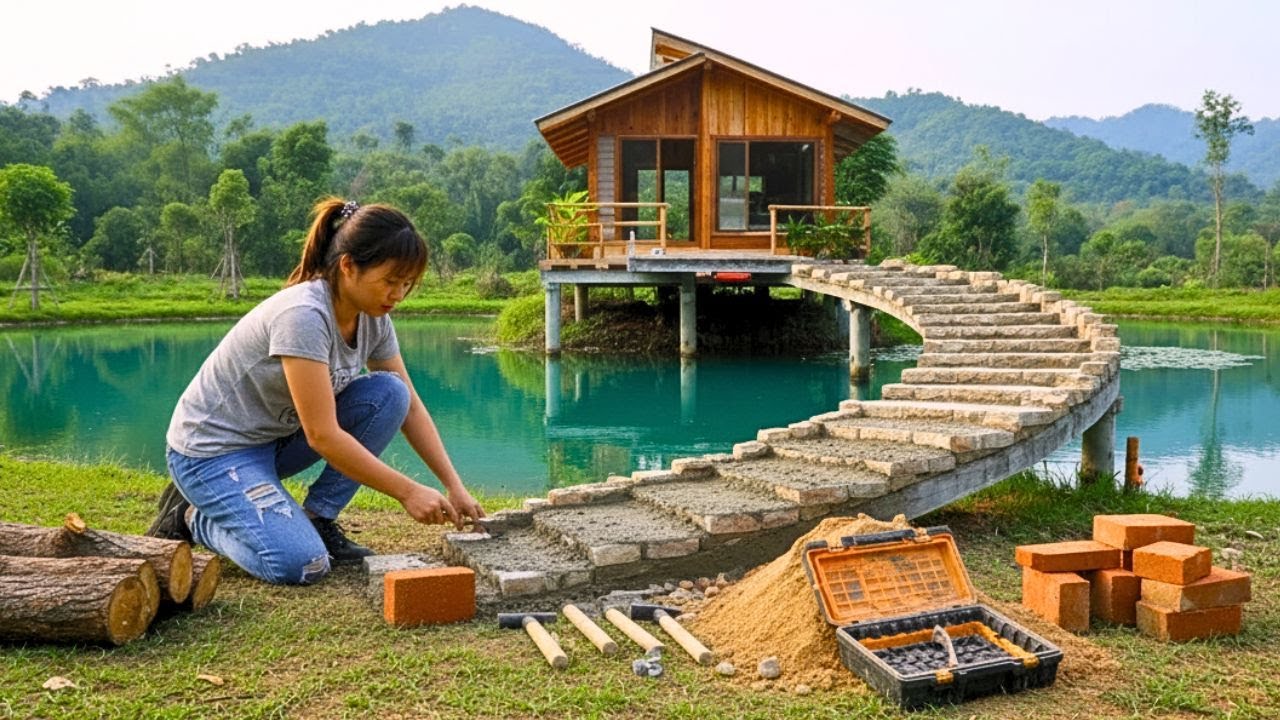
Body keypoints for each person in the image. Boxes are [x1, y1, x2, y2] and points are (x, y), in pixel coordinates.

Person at [148, 198, 485, 585]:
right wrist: (407, 492)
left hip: (272, 442)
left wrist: (454, 486)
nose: (398, 294)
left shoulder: (373, 318)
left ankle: (318, 518)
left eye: (407, 284)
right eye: (390, 281)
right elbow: (322, 435)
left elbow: (408, 408)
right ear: (347, 267)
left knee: (390, 393)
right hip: (211, 453)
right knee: (301, 564)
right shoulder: (304, 315)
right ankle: (193, 518)